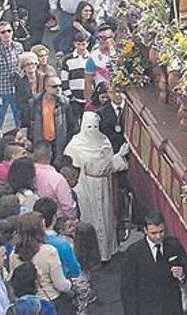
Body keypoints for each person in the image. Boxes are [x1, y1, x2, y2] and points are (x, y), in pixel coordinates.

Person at [64, 112, 129, 262]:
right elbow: (69, 167)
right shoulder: (75, 144)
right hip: (85, 186)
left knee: (105, 217)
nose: (92, 129)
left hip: (104, 185)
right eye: (89, 126)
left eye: (94, 126)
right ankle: (90, 256)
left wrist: (119, 156)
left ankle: (106, 252)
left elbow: (111, 164)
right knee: (90, 218)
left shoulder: (104, 140)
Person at [120, 210, 187, 315]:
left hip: (172, 307)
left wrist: (182, 274)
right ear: (145, 230)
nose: (158, 236)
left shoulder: (173, 245)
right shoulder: (134, 253)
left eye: (161, 231)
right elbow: (128, 290)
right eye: (153, 233)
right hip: (147, 309)